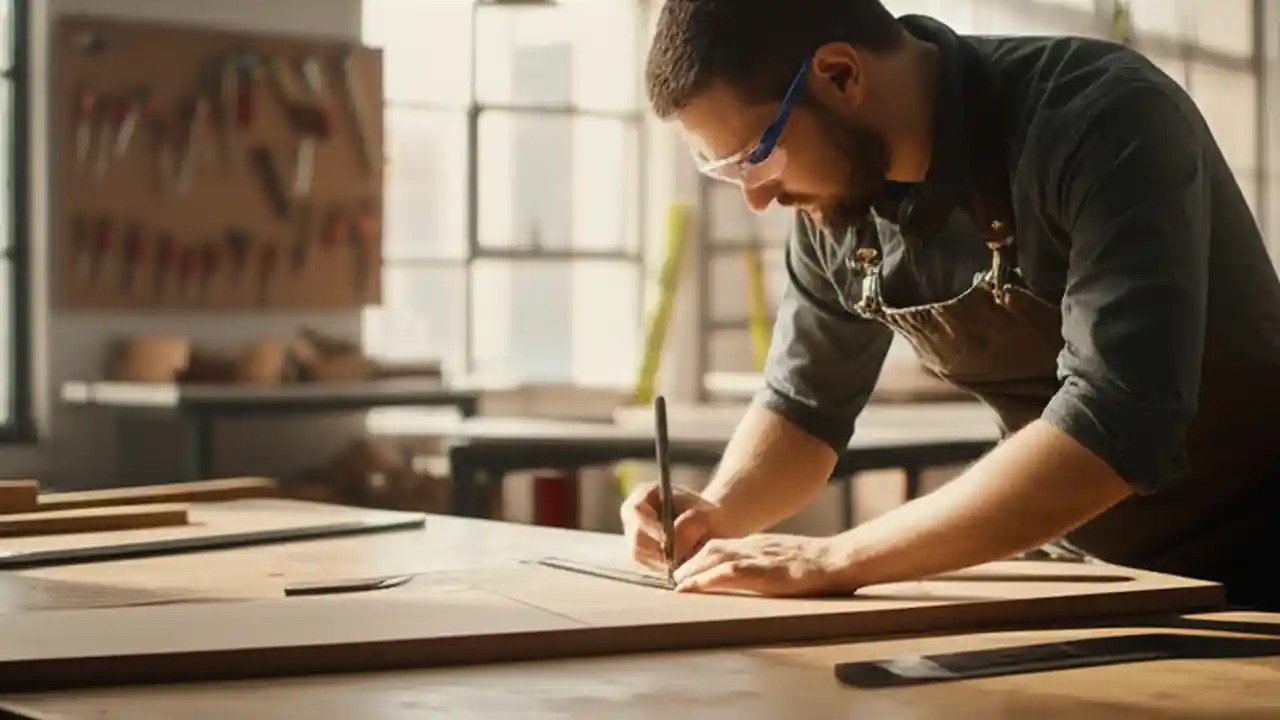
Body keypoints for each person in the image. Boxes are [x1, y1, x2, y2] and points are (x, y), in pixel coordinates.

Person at [622, 0, 1280, 609]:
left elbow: (1121, 420)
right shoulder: (838, 197)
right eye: (729, 172)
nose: (758, 197)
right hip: (1091, 567)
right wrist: (715, 510)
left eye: (755, 157)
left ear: (840, 75)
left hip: (1258, 556)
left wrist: (837, 556)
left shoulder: (1102, 116)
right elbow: (804, 408)